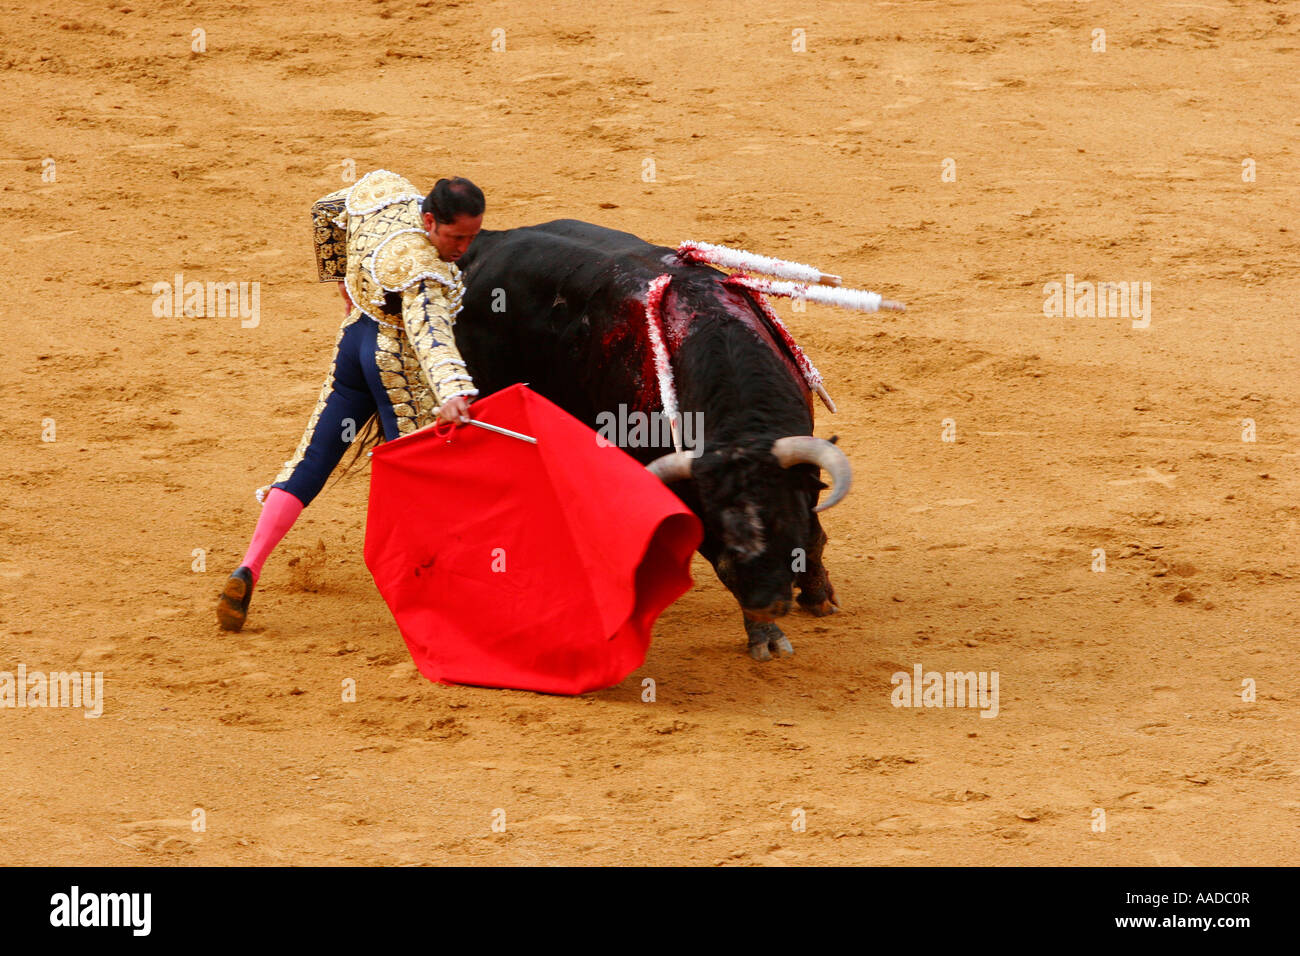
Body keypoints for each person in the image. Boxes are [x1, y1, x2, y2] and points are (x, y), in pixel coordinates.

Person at [217, 170, 485, 631]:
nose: (462, 248)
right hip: (395, 367)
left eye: (471, 237)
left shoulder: (385, 194)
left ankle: (249, 567)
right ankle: (436, 595)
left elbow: (328, 210)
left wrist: (341, 277)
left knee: (310, 462)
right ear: (428, 221)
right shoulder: (427, 274)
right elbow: (432, 338)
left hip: (353, 346)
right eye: (455, 236)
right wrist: (452, 393)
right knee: (424, 479)